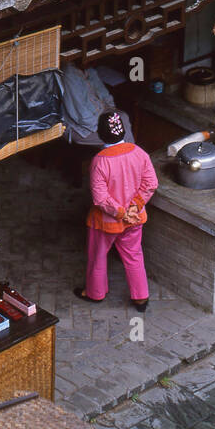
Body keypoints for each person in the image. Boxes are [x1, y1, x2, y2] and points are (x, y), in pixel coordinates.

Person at [74, 109, 158, 313]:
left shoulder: (99, 161)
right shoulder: (139, 152)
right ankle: (141, 297)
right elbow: (151, 183)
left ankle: (95, 293)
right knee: (134, 255)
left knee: (98, 256)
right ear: (123, 131)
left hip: (107, 222)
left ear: (100, 133)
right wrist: (133, 208)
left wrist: (121, 212)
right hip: (135, 218)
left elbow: (100, 198)